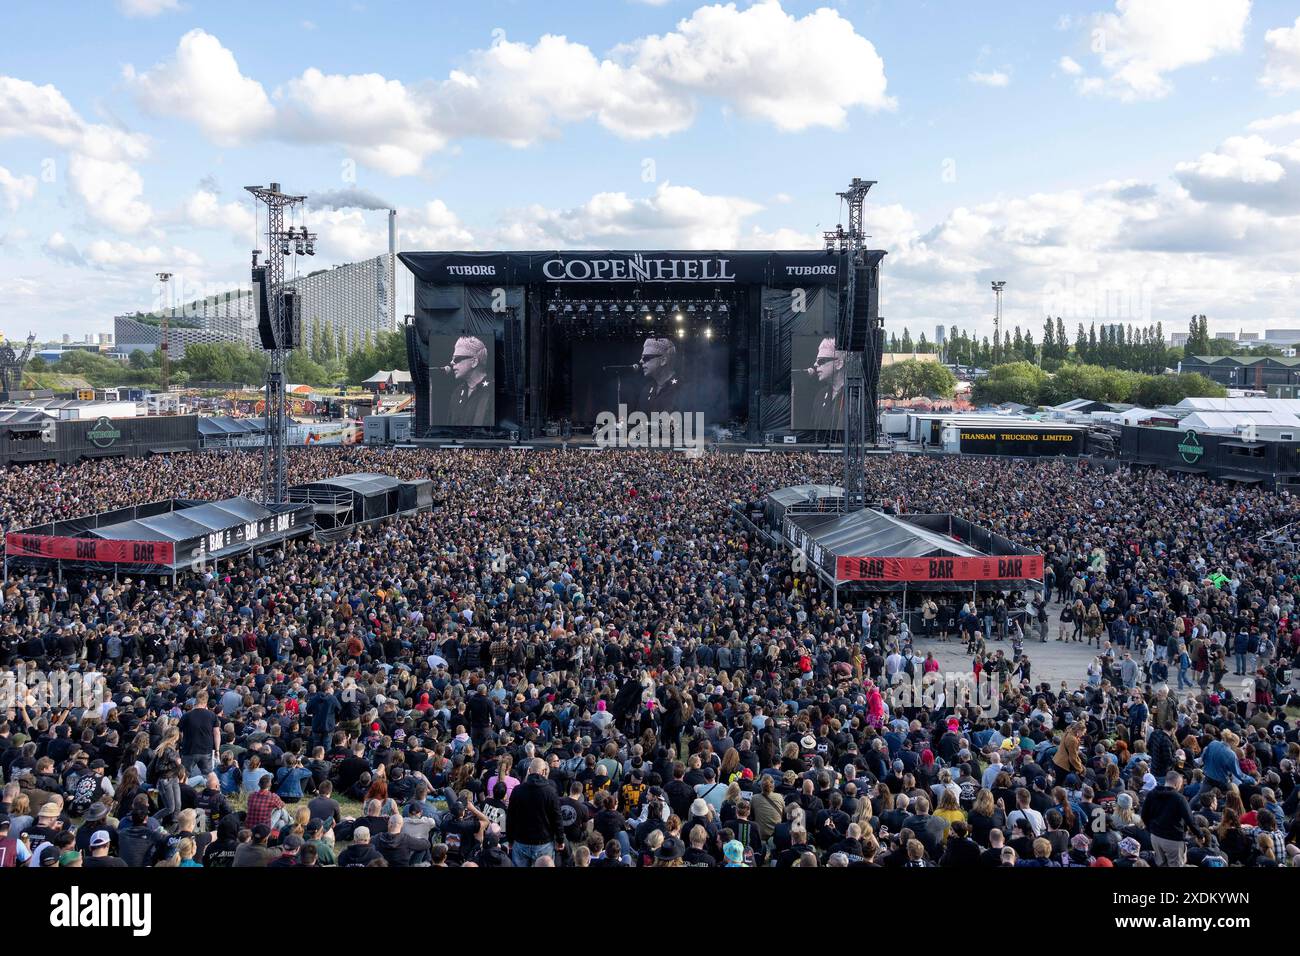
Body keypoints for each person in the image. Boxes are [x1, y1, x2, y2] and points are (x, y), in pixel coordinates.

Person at [444, 335, 493, 427]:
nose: (451, 363)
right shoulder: (457, 393)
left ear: (474, 362)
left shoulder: (493, 391)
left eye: (457, 359)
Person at [637, 338, 682, 416]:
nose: (641, 361)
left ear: (663, 361)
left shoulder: (682, 388)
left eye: (646, 358)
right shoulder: (646, 389)